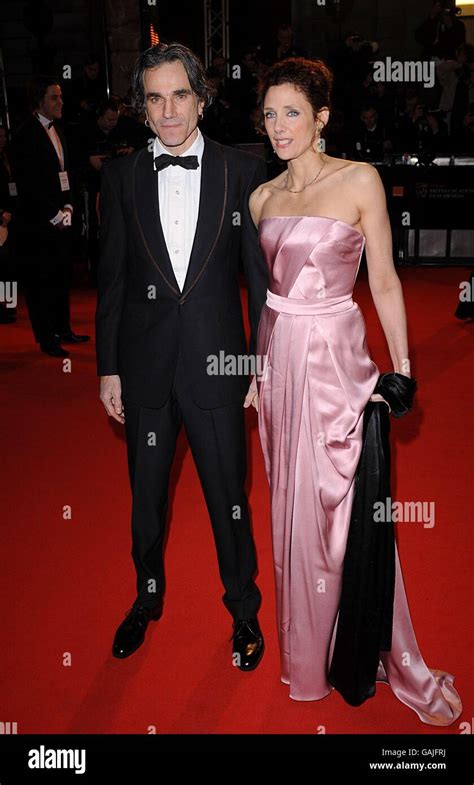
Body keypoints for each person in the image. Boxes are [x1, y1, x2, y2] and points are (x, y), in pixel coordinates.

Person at [246, 57, 462, 725]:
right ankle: (309, 655)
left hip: (339, 363)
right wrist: (256, 374)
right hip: (281, 365)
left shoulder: (359, 179)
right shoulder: (261, 199)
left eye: (292, 112)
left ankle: (365, 639)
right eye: (270, 113)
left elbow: (388, 282)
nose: (280, 126)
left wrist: (401, 368)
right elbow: (269, 299)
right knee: (293, 514)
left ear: (321, 118)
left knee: (345, 509)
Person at [95, 43, 268, 669]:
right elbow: (112, 281)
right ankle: (146, 599)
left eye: (179, 95)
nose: (168, 111)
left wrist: (254, 364)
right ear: (143, 108)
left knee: (229, 497)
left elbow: (260, 283)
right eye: (155, 98)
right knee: (146, 501)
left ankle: (244, 611)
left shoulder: (241, 172)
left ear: (201, 97)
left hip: (218, 367)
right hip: (143, 369)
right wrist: (108, 368)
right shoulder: (118, 178)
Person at [12, 76, 90, 357]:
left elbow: (66, 175)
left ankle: (63, 329)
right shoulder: (24, 135)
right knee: (40, 281)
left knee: (61, 276)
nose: (61, 102)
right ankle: (46, 338)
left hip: (61, 218)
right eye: (54, 97)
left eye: (61, 96)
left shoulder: (59, 130)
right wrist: (52, 214)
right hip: (36, 224)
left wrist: (68, 208)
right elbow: (28, 184)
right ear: (39, 101)